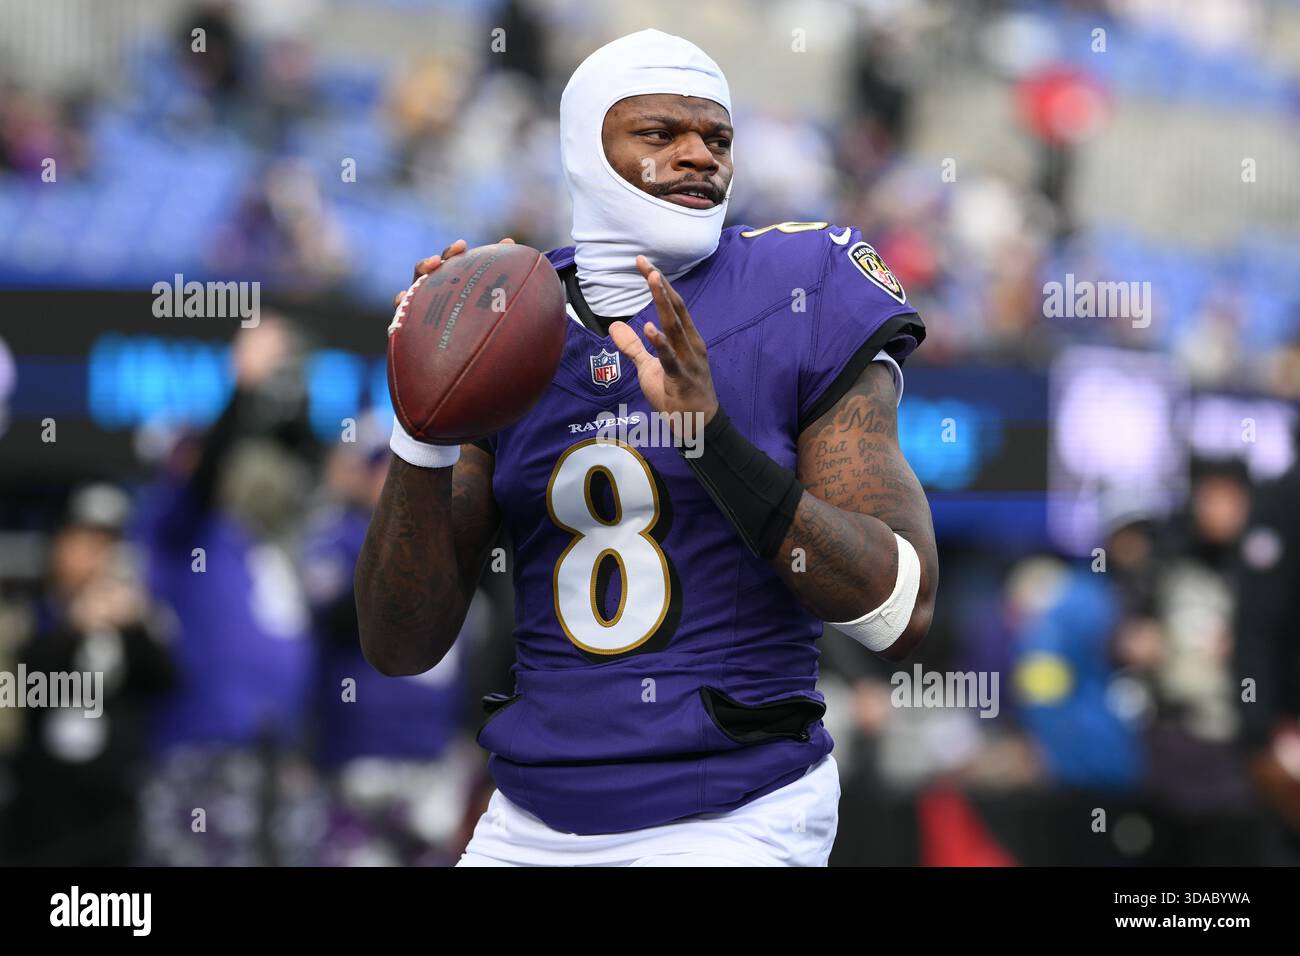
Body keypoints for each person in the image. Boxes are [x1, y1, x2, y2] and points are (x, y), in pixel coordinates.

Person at [355, 29, 937, 867]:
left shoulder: (803, 284)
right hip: (529, 814)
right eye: (660, 134)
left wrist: (711, 441)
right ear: (586, 150)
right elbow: (399, 644)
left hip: (733, 808)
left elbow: (898, 610)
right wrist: (422, 427)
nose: (701, 156)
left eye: (718, 138)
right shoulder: (507, 327)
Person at [3, 484, 175, 865]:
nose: (95, 558)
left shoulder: (131, 621)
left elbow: (167, 683)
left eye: (106, 546)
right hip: (41, 817)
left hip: (114, 817)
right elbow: (19, 689)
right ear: (58, 546)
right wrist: (73, 630)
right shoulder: (31, 612)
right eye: (84, 543)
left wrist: (135, 626)